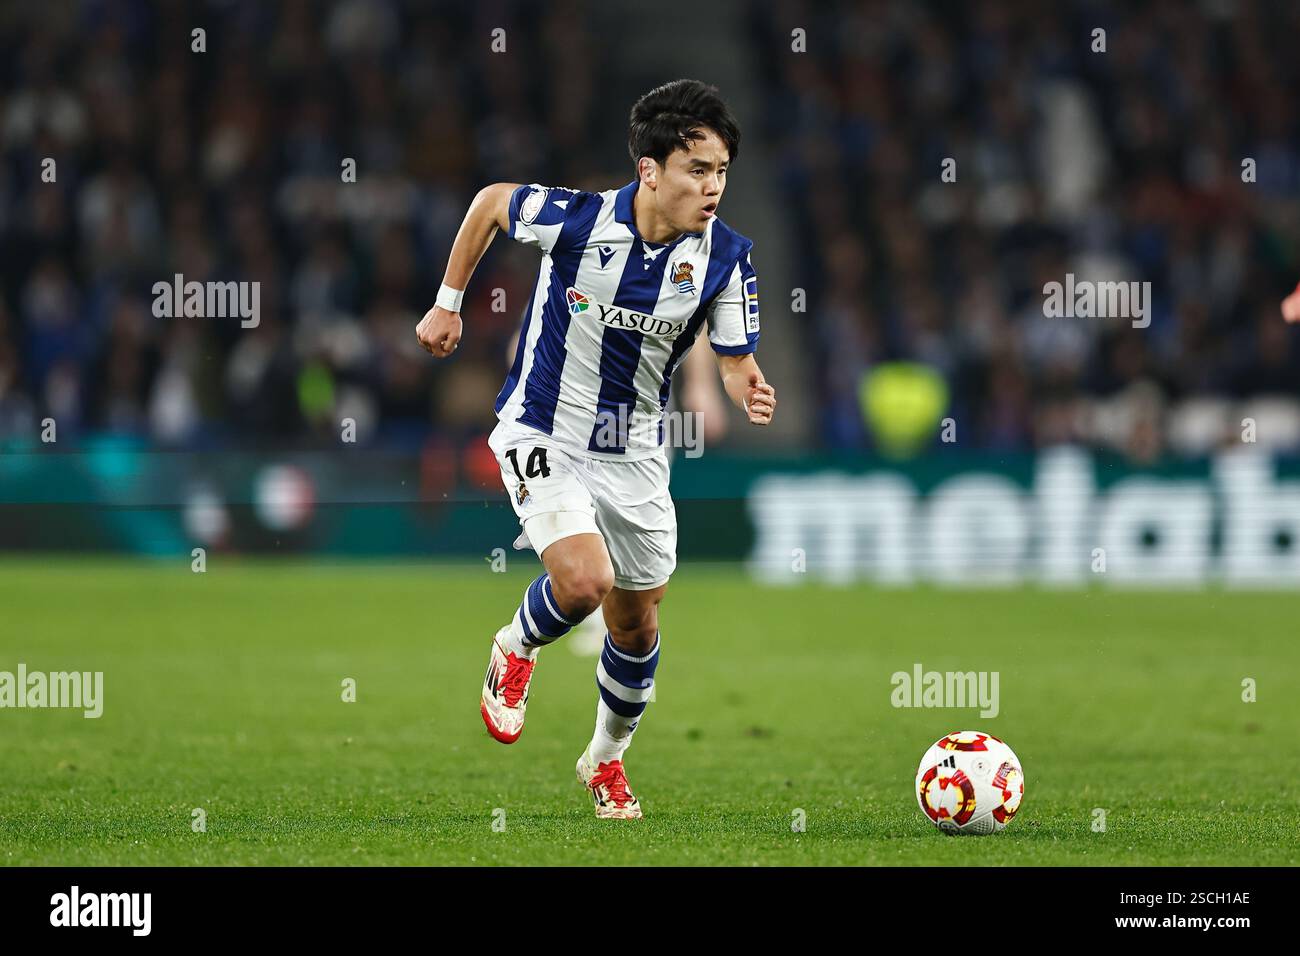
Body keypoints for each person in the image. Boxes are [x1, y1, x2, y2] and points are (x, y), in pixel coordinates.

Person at [416, 79, 776, 819]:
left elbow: (737, 358)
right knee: (583, 583)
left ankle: (604, 762)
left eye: (722, 174)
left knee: (637, 621)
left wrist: (750, 388)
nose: (713, 189)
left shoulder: (726, 259)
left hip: (635, 451)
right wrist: (448, 302)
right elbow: (490, 201)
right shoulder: (577, 218)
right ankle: (514, 648)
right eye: (698, 171)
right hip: (542, 427)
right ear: (651, 170)